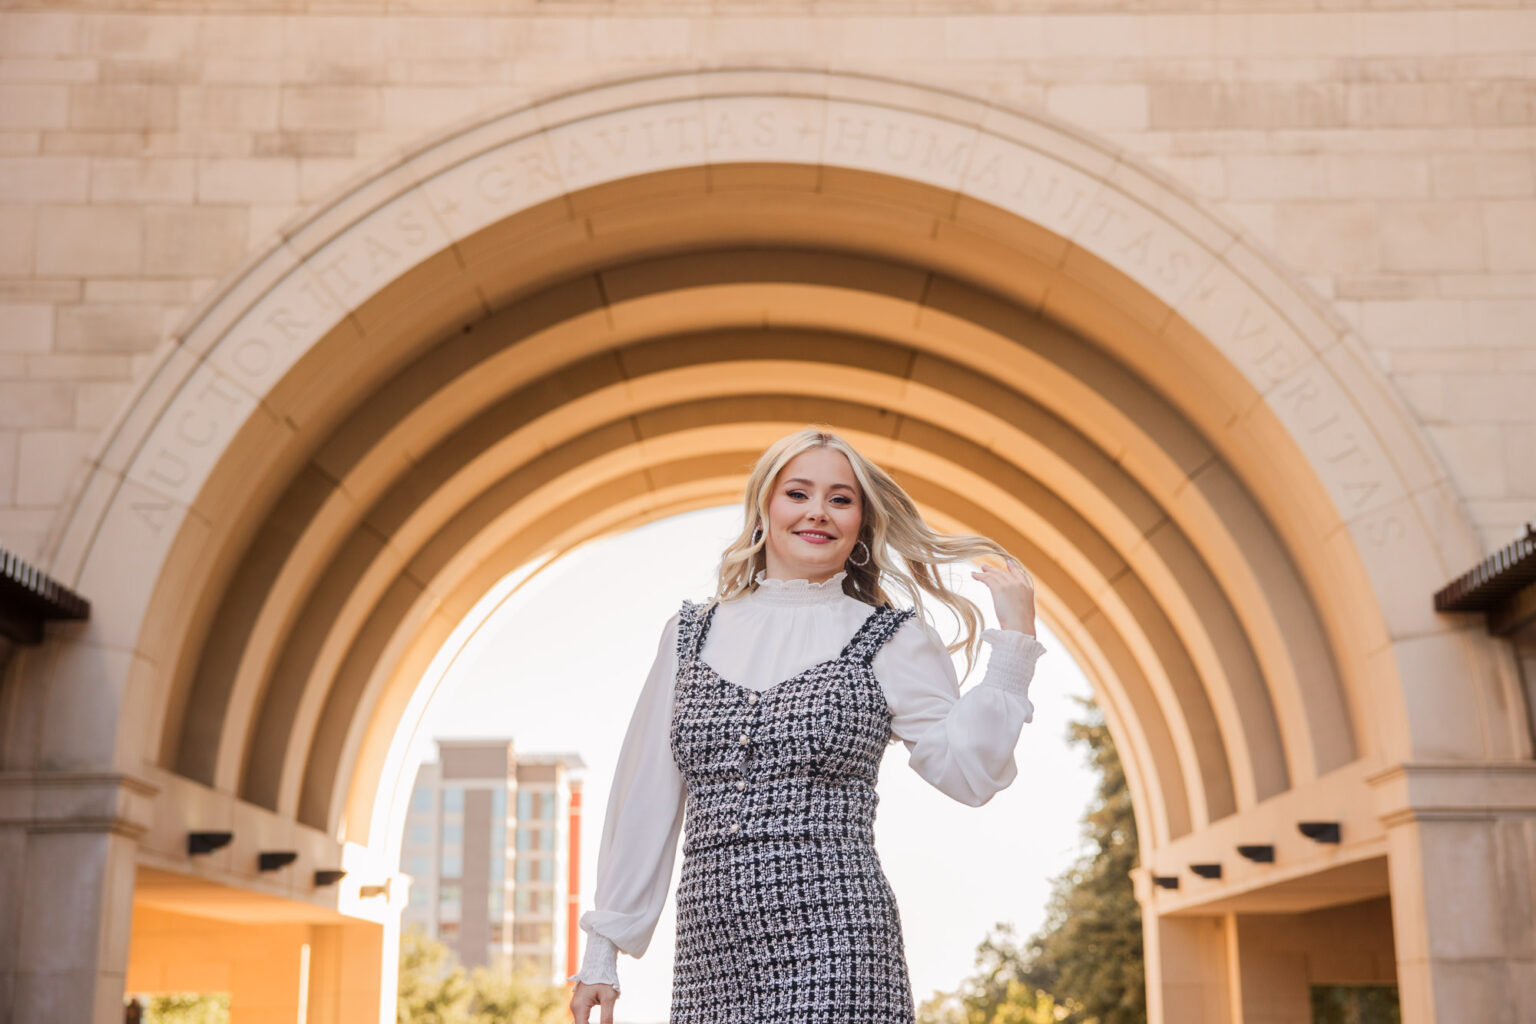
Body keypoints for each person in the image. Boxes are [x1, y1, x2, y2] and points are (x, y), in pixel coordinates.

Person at [568, 427, 1046, 1024]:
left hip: (839, 936)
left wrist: (1014, 646)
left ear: (861, 524)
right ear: (765, 507)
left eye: (841, 499)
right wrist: (602, 950)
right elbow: (645, 794)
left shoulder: (893, 639)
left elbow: (969, 773)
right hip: (711, 956)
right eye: (799, 493)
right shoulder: (689, 633)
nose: (818, 511)